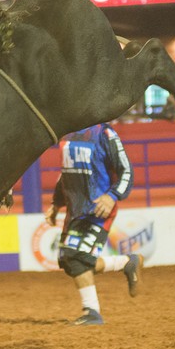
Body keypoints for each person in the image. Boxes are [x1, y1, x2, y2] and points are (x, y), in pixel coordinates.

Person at [45, 123, 142, 326]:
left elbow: (127, 172)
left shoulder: (105, 133)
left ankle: (92, 312)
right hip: (76, 209)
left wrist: (112, 196)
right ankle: (126, 262)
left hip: (99, 208)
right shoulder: (66, 132)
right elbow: (67, 172)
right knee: (69, 261)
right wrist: (56, 203)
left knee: (76, 258)